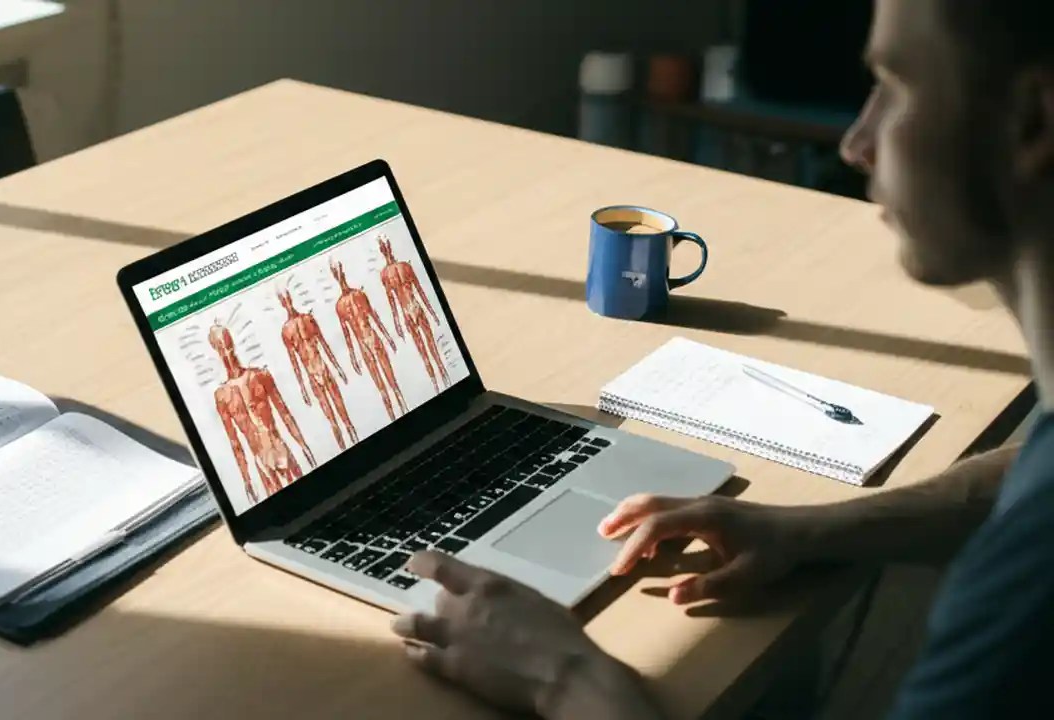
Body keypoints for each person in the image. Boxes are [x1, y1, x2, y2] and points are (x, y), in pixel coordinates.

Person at [390, 1, 1054, 717]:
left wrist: (564, 677)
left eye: (896, 86)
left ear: (1033, 123)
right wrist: (812, 528)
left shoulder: (1022, 596)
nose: (857, 144)